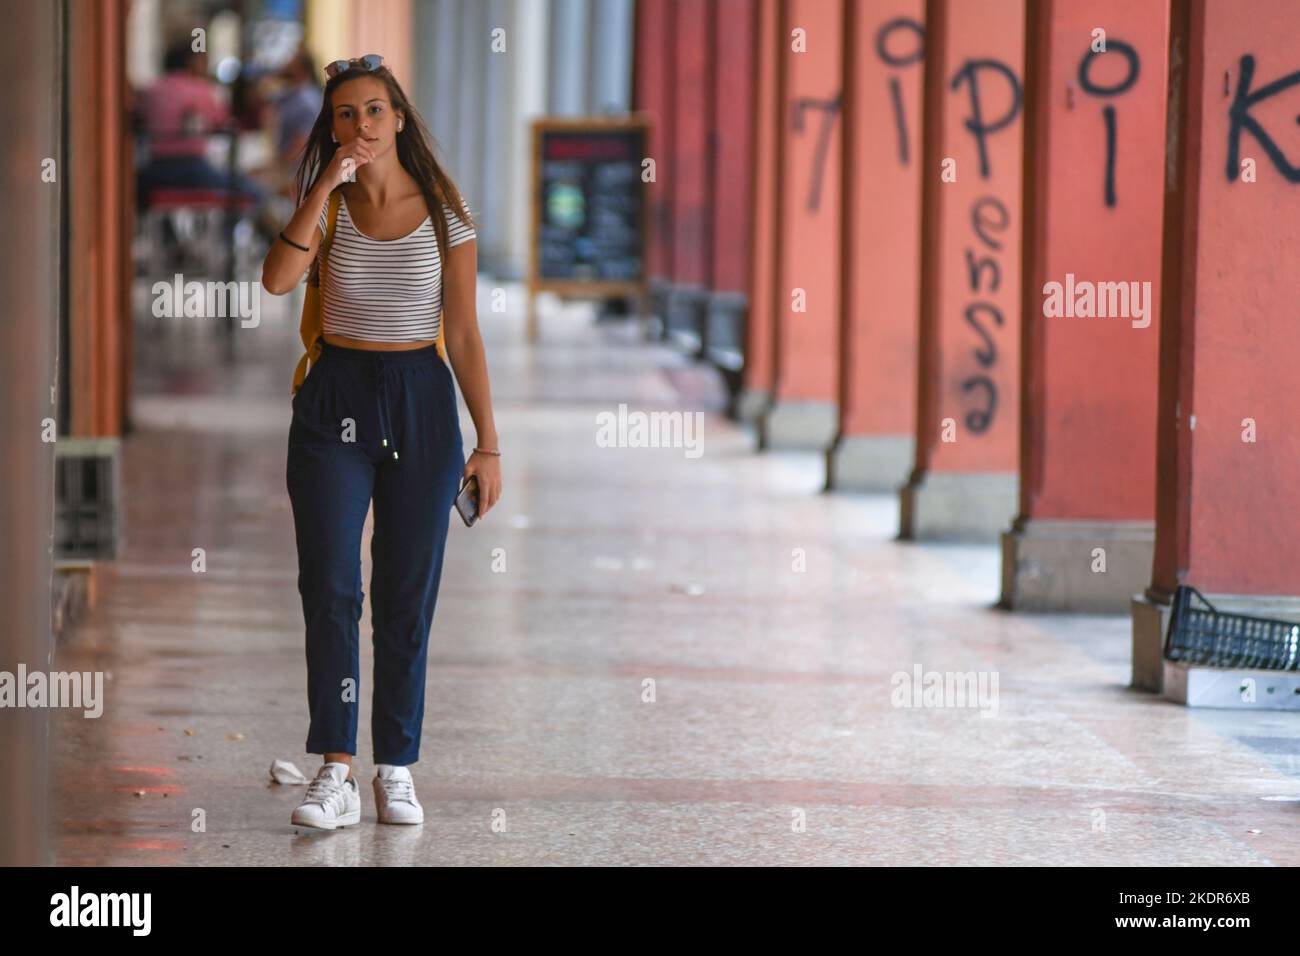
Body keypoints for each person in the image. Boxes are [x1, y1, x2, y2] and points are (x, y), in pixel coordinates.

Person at [261, 54, 502, 829]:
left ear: (398, 117)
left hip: (423, 403)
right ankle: (333, 766)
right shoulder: (324, 204)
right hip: (335, 399)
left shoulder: (445, 212)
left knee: (406, 595)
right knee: (330, 585)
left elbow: (462, 333)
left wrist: (487, 443)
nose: (359, 125)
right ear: (329, 127)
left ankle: (394, 766)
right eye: (344, 114)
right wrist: (323, 188)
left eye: (372, 111)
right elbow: (274, 281)